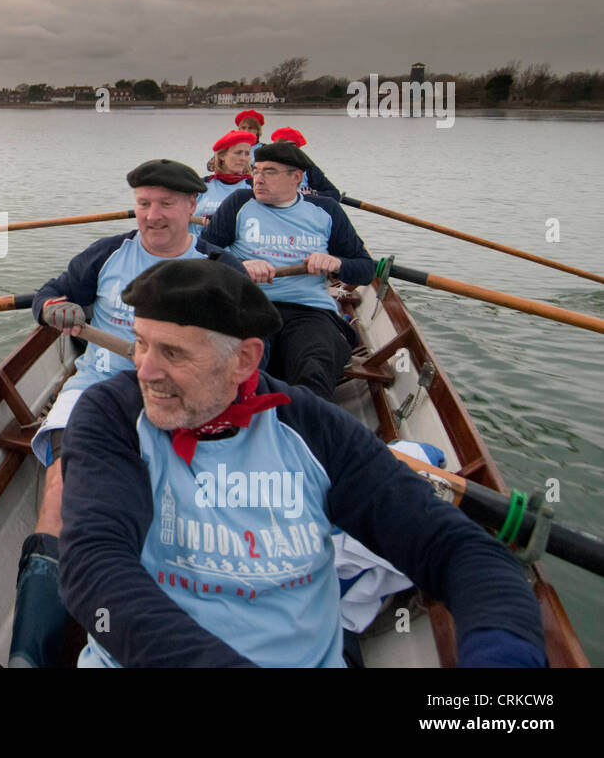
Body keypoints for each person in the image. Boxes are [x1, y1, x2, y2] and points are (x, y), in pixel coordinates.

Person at [58, 258, 547, 667]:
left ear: (246, 360)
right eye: (140, 342)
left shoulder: (312, 426)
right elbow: (94, 564)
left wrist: (503, 658)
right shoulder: (113, 415)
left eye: (171, 352)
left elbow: (454, 548)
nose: (144, 369)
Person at [8, 158, 240, 668]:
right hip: (95, 391)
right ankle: (29, 657)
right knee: (58, 494)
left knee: (188, 511)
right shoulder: (107, 255)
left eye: (166, 204)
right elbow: (52, 292)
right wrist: (53, 309)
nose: (152, 216)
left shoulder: (222, 272)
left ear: (193, 207)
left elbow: (245, 358)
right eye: (143, 204)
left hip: (184, 406)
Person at [200, 140, 372, 401]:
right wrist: (239, 265)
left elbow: (366, 270)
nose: (257, 179)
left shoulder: (325, 210)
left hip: (310, 311)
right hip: (249, 306)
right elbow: (202, 255)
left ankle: (306, 429)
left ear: (296, 177)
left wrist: (336, 263)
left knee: (314, 369)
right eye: (255, 170)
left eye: (268, 172)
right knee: (244, 368)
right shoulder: (240, 203)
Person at [192, 129, 255, 237]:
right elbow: (178, 215)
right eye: (238, 153)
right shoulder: (201, 185)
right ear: (222, 155)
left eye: (247, 154)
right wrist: (202, 221)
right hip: (198, 249)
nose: (243, 158)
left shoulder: (252, 187)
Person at [269, 126, 341, 200]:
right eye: (281, 146)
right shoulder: (265, 168)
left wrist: (313, 193)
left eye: (292, 146)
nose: (287, 150)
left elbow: (334, 194)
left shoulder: (309, 169)